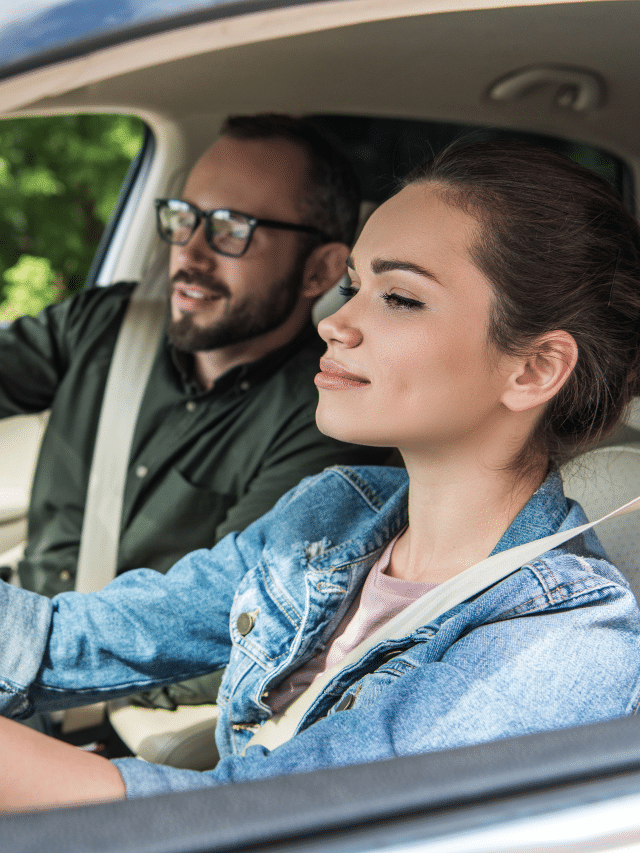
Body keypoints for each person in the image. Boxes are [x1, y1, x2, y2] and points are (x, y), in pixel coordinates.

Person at [1, 139, 640, 812]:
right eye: (353, 287)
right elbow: (76, 637)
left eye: (398, 297)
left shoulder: (560, 650)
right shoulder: (333, 512)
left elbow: (262, 820)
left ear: (534, 368)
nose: (335, 323)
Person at [0, 114, 388, 710]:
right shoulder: (107, 324)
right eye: (185, 219)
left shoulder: (327, 420)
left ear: (320, 269)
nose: (191, 252)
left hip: (101, 708)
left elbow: (243, 621)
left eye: (233, 229)